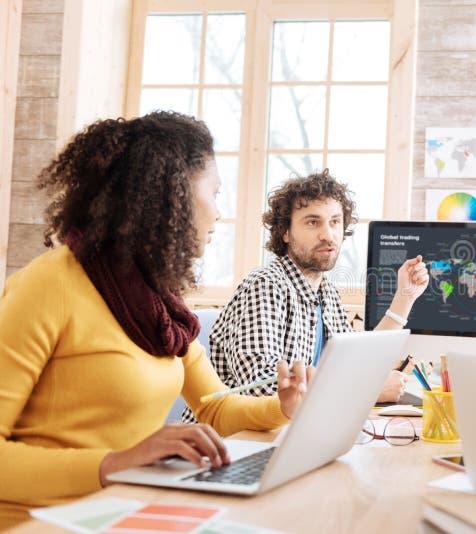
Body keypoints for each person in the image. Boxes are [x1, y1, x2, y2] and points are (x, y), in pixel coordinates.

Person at [0, 112, 311, 529]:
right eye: (215, 193)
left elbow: (214, 406)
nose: (219, 213)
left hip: (126, 506)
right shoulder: (48, 285)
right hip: (44, 520)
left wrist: (284, 407)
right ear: (174, 195)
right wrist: (116, 463)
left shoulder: (158, 300)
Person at [182, 170, 429, 423]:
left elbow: (357, 363)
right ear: (285, 233)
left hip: (292, 432)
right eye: (313, 222)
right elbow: (260, 389)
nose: (328, 234)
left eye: (335, 221)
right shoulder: (265, 285)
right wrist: (366, 390)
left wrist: (405, 297)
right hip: (227, 441)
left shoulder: (327, 293)